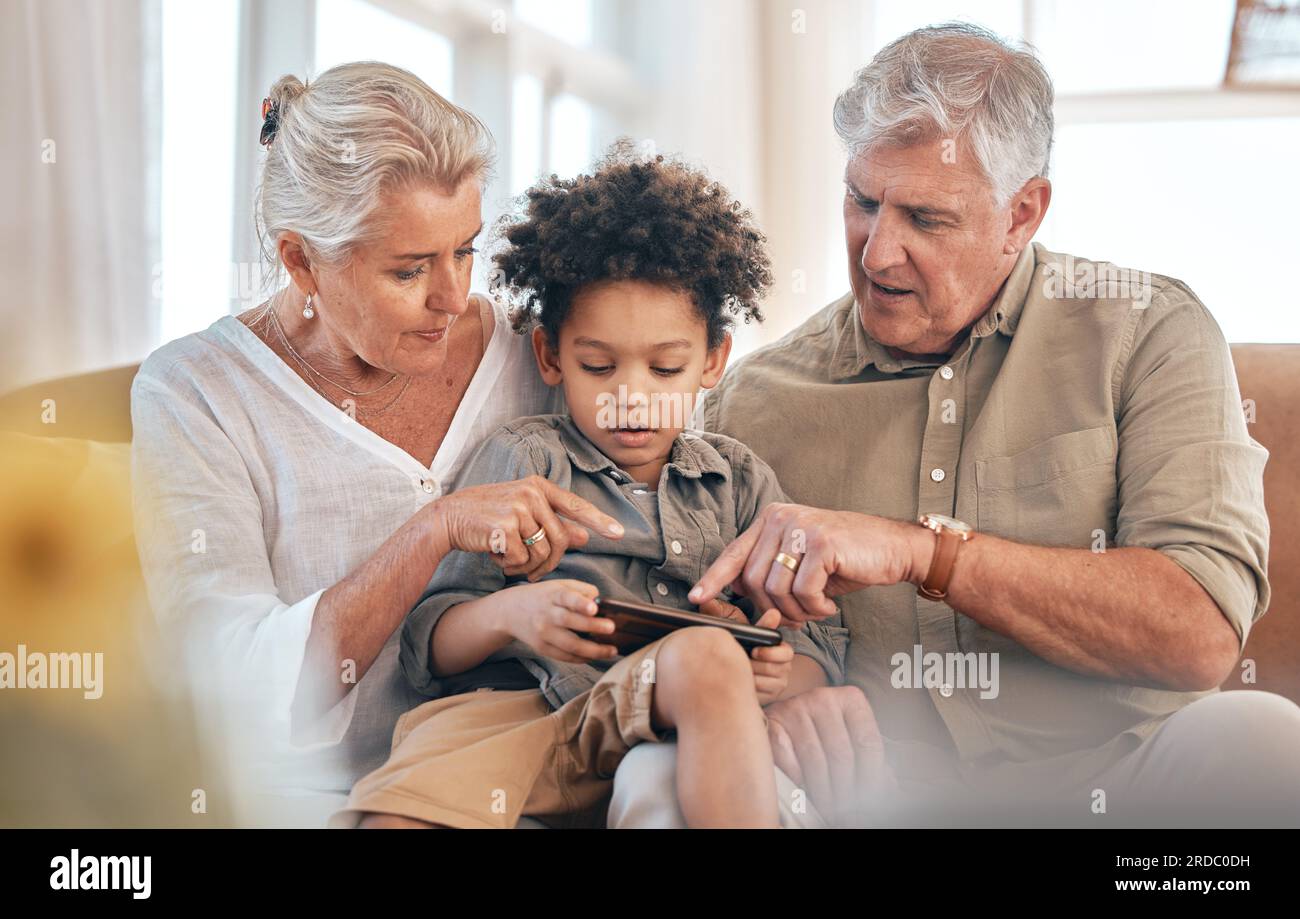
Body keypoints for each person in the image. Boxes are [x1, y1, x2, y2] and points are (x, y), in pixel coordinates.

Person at [609, 23, 1300, 829]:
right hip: (861, 801)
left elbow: (1199, 632)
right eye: (863, 202)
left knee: (1265, 742)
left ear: (1023, 212)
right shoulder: (753, 401)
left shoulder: (1148, 333)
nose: (877, 254)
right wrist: (772, 694)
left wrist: (922, 550)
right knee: (657, 777)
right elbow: (679, 611)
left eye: (926, 218)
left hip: (1118, 793)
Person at [130, 62, 626, 827]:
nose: (454, 298)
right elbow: (230, 697)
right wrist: (434, 529)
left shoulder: (539, 353)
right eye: (409, 269)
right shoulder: (196, 392)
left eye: (465, 250)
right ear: (301, 260)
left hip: (523, 777)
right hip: (306, 804)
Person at [331, 147, 848, 828]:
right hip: (517, 719)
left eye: (666, 368)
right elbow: (430, 639)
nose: (630, 397)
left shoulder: (741, 482)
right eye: (598, 366)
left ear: (713, 361)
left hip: (663, 725)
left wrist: (780, 671)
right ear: (550, 355)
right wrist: (513, 615)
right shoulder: (525, 457)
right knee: (394, 816)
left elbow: (819, 647)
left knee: (712, 658)